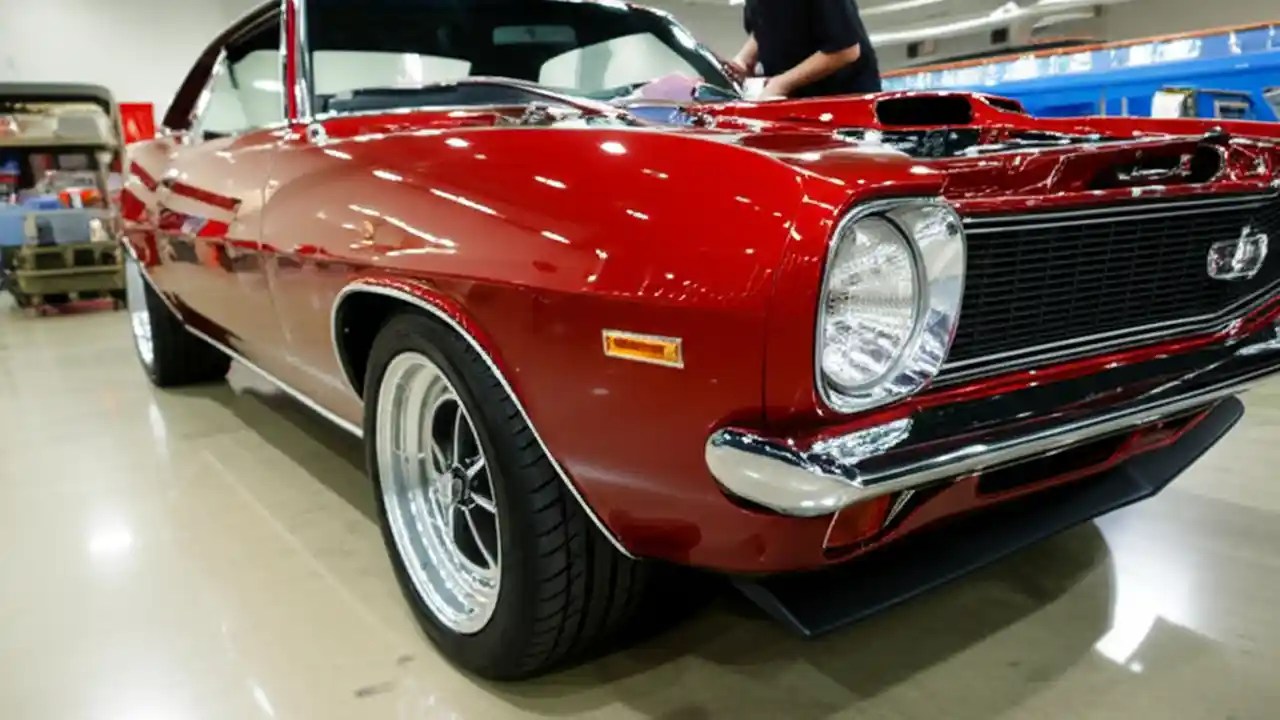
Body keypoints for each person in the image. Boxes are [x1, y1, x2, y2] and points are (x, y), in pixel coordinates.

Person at [730, 0, 882, 99]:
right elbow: (772, 26)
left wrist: (780, 85)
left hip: (843, 103)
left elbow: (846, 50)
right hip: (798, 99)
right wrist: (744, 59)